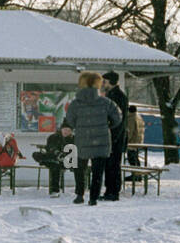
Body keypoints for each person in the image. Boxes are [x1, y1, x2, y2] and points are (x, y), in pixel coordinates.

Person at [63, 71, 122, 205]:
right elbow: (117, 118)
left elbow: (70, 121)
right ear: (98, 84)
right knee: (97, 171)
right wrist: (107, 126)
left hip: (82, 140)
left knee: (79, 169)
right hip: (101, 140)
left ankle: (79, 194)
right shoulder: (106, 102)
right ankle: (93, 197)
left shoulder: (75, 104)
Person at [100, 71, 129, 201]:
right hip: (111, 135)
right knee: (109, 164)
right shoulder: (111, 95)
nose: (102, 84)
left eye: (104, 81)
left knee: (113, 164)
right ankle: (109, 190)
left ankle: (113, 191)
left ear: (111, 82)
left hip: (115, 137)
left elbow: (119, 119)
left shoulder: (118, 97)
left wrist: (113, 136)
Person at [32, 123, 75, 197]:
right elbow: (50, 147)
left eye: (68, 130)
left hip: (67, 161)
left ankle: (55, 190)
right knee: (37, 155)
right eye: (64, 129)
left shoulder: (74, 139)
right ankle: (51, 160)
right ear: (61, 129)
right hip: (55, 158)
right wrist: (56, 153)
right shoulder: (53, 137)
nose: (66, 132)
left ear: (71, 131)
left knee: (54, 165)